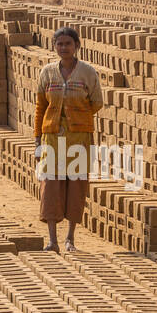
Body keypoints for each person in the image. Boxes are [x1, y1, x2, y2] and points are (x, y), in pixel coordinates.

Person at [33, 27, 103, 252]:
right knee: (50, 186)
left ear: (77, 46)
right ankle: (52, 240)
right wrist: (38, 138)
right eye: (59, 44)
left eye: (68, 44)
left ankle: (70, 239)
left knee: (76, 185)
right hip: (52, 137)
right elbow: (41, 106)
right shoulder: (47, 73)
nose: (64, 48)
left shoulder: (88, 72)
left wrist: (77, 117)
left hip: (79, 137)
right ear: (54, 46)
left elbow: (97, 102)